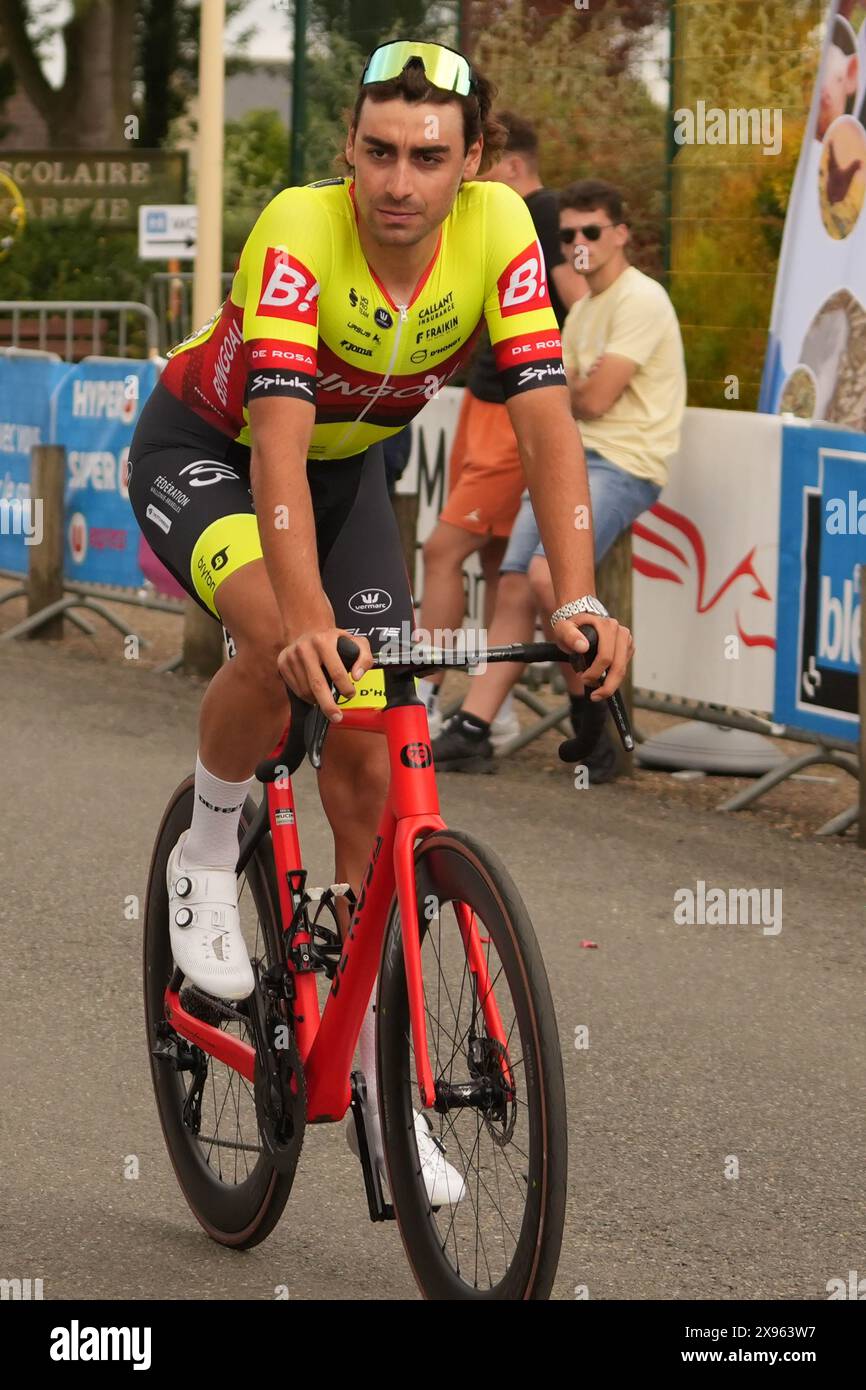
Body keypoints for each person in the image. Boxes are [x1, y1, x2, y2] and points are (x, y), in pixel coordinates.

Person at [127, 43, 633, 1204]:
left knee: (365, 749)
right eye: (377, 153)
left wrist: (580, 595)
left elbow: (550, 424)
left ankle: (373, 1082)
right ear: (348, 151)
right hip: (217, 454)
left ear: (471, 165)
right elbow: (278, 446)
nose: (398, 181)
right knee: (277, 640)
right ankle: (209, 847)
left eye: (427, 157)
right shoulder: (300, 228)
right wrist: (301, 620)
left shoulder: (501, 231)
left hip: (351, 482)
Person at [432, 178, 685, 779]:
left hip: (625, 463)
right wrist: (569, 388)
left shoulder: (640, 299)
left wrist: (568, 387)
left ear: (621, 235)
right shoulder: (586, 307)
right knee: (516, 581)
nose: (578, 244)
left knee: (548, 575)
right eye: (567, 234)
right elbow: (561, 398)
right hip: (573, 457)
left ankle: (594, 713)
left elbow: (591, 398)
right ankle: (473, 727)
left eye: (592, 232)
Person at [416, 112, 585, 743]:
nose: (463, 183)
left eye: (477, 168)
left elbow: (579, 292)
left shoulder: (539, 211)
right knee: (490, 560)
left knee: (441, 551)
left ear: (509, 167)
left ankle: (423, 693)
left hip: (516, 409)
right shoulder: (492, 218)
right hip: (482, 400)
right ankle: (498, 707)